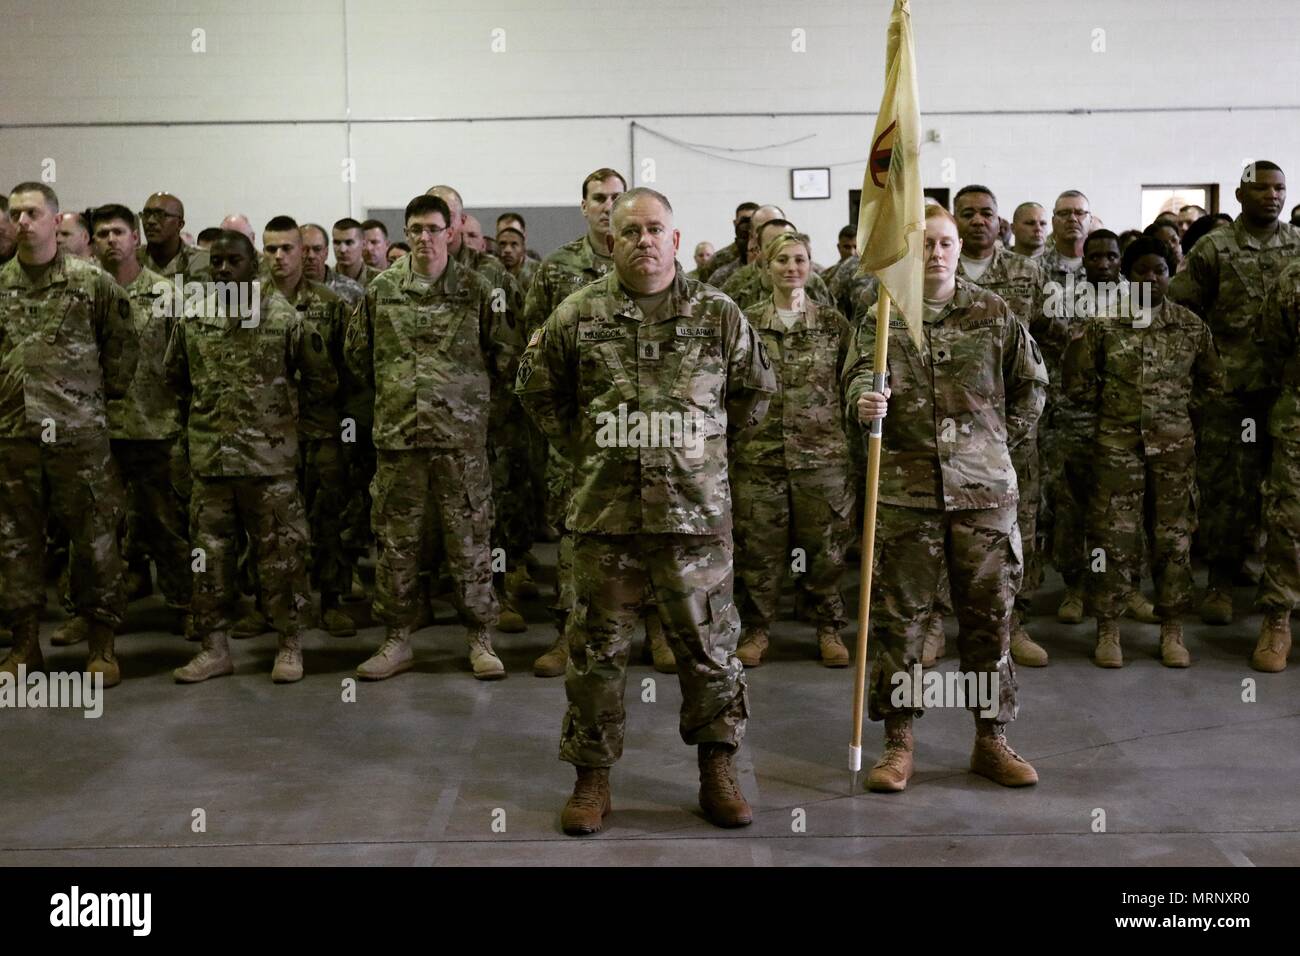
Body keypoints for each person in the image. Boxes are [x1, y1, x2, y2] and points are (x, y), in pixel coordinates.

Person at [517, 186, 777, 834]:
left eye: (654, 229)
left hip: (695, 524)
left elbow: (756, 393)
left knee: (711, 652)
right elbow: (536, 388)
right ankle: (592, 779)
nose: (642, 240)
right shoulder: (577, 314)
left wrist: (704, 457)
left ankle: (718, 771)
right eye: (629, 231)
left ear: (676, 239)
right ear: (611, 241)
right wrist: (586, 446)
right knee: (596, 657)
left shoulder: (719, 315)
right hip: (605, 521)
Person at [844, 204, 1047, 793]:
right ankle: (900, 741)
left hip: (983, 496)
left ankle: (991, 739)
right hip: (906, 495)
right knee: (901, 625)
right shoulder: (883, 312)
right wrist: (864, 400)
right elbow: (859, 374)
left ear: (960, 250)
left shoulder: (993, 311)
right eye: (926, 243)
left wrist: (995, 442)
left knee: (989, 621)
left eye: (946, 243)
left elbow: (1032, 382)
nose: (935, 253)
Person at [344, 194, 521, 680]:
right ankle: (397, 639)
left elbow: (506, 360)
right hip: (399, 441)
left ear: (451, 231)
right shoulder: (381, 291)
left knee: (470, 541)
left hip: (460, 443)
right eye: (415, 229)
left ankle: (479, 638)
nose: (424, 238)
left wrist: (477, 416)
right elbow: (357, 357)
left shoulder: (479, 290)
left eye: (433, 229)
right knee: (396, 543)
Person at [167, 231, 336, 683]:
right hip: (211, 462)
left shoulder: (282, 317)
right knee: (208, 559)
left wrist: (290, 428)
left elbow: (320, 380)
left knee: (282, 557)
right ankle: (214, 648)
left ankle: (290, 644)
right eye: (216, 261)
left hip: (270, 463)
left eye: (233, 261)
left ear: (252, 264)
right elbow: (176, 378)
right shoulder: (192, 315)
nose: (223, 269)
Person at [0, 183, 136, 686]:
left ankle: (102, 646)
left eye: (33, 213)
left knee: (96, 539)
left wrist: (95, 402)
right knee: (15, 542)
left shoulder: (90, 282)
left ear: (55, 221)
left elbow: (122, 344)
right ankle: (23, 647)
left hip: (79, 436)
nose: (23, 222)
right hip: (15, 435)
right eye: (16, 214)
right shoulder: (0, 284)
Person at [1065, 236, 1223, 668]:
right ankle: (1108, 628)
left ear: (1170, 275)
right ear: (1126, 276)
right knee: (1111, 539)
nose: (1150, 279)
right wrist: (1112, 412)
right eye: (1141, 271)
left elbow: (1213, 384)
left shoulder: (1191, 326)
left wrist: (1180, 419)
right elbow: (1077, 386)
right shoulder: (1103, 325)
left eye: (1159, 271)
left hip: (1174, 451)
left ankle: (1172, 629)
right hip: (1117, 448)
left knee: (1173, 539)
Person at [1170, 161, 1300, 625]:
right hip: (1232, 390)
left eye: (1279, 188)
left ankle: (1276, 583)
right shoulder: (1215, 247)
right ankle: (1221, 580)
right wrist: (1205, 363)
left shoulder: (1297, 247)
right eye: (1261, 188)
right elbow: (1181, 308)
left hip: (1284, 391)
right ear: (1240, 195)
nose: (1272, 195)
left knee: (1287, 494)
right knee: (1230, 486)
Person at [522, 167, 631, 677]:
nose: (608, 206)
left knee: (647, 529)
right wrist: (563, 432)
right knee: (575, 534)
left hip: (642, 430)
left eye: (616, 197)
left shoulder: (653, 260)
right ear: (584, 206)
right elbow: (534, 354)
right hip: (583, 433)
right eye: (599, 198)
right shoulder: (558, 269)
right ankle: (570, 636)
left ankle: (651, 630)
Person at [732, 232, 853, 667]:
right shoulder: (745, 324)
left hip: (821, 459)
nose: (791, 267)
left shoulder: (832, 324)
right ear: (766, 268)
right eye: (781, 260)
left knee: (826, 551)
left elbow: (850, 381)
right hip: (759, 457)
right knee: (758, 552)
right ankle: (757, 630)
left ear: (810, 265)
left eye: (799, 259)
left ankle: (828, 628)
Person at [952, 185, 1052, 665]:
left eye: (985, 213)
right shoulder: (931, 273)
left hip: (1009, 430)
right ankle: (934, 622)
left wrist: (1017, 426)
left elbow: (1049, 346)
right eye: (966, 214)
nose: (977, 221)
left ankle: (1015, 623)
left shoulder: (1027, 272)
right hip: (944, 430)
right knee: (938, 527)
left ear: (1000, 222)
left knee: (1018, 527)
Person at [87, 203, 192, 636]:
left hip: (157, 428)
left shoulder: (169, 294)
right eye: (102, 234)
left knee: (171, 526)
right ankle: (94, 616)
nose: (111, 240)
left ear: (135, 239)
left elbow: (188, 362)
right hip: (97, 431)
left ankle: (187, 604)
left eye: (118, 232)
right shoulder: (82, 292)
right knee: (97, 531)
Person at [263, 215, 357, 638]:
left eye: (287, 248)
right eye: (270, 249)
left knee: (327, 519)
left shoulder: (330, 305)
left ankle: (332, 600)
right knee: (270, 526)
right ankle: (272, 606)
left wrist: (348, 430)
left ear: (304, 252)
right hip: (267, 435)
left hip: (322, 430)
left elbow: (352, 370)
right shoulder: (249, 306)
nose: (278, 257)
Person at [138, 192, 209, 279]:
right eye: (146, 214)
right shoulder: (129, 260)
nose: (150, 221)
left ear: (179, 224)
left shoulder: (203, 261)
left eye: (160, 215)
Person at [696, 201, 757, 283]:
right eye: (743, 221)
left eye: (751, 221)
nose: (747, 225)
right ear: (735, 223)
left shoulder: (769, 254)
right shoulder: (719, 259)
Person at [332, 218, 381, 287]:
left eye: (349, 243)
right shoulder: (322, 280)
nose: (342, 250)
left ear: (363, 245)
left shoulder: (380, 280)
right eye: (337, 243)